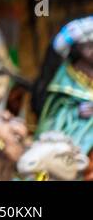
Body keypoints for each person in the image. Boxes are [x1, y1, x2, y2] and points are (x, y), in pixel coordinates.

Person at [33, 16, 93, 161]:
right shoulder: (65, 77)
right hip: (79, 133)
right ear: (77, 47)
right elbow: (52, 114)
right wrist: (76, 111)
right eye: (89, 46)